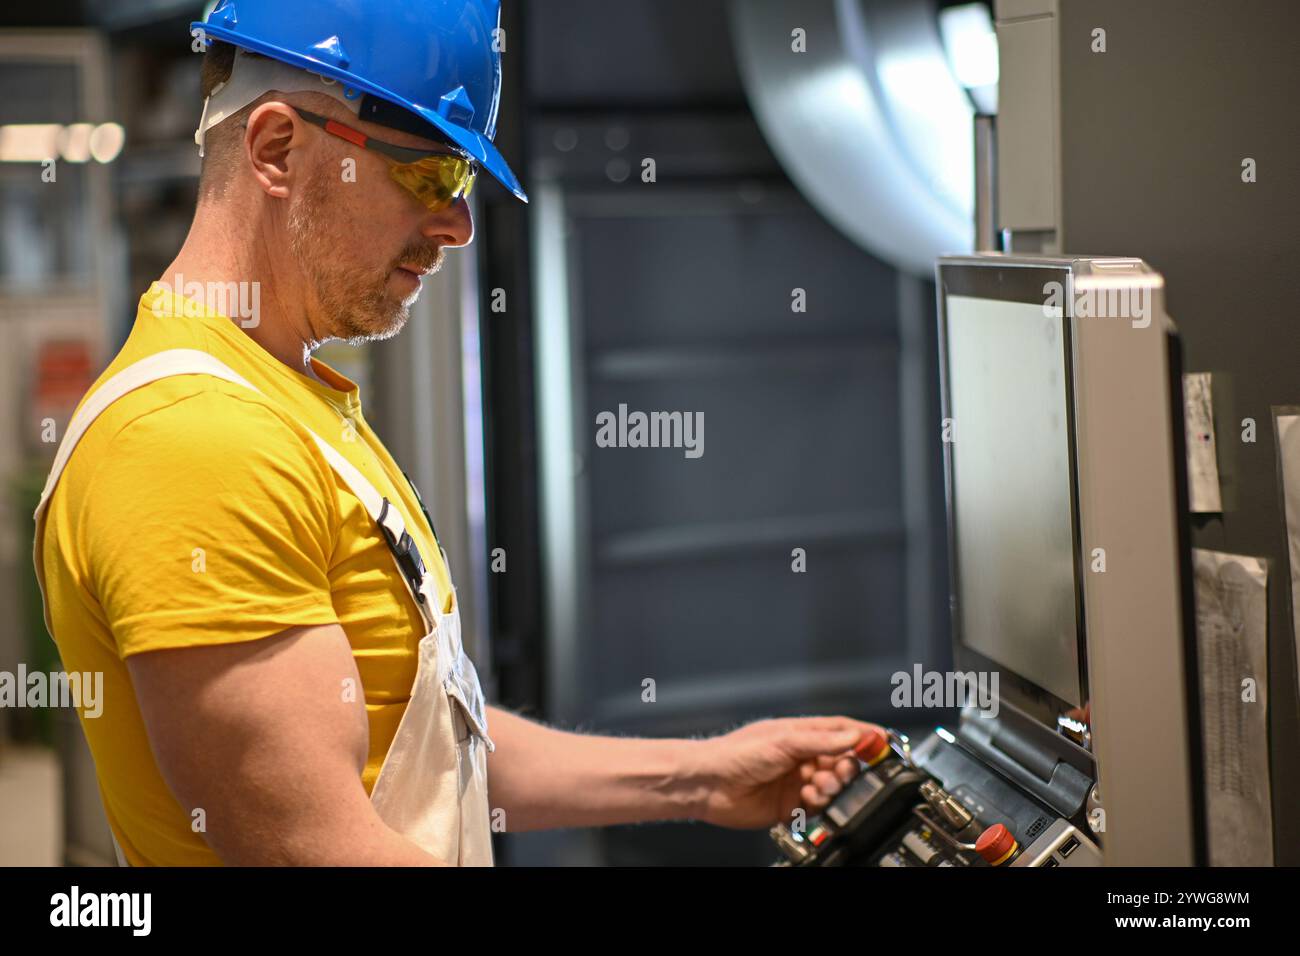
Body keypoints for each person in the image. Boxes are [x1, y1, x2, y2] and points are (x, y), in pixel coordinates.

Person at [33, 0, 879, 866]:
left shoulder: (287, 400)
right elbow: (317, 848)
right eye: (430, 176)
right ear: (277, 148)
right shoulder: (191, 441)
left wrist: (701, 778)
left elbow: (429, 742)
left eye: (464, 183)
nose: (458, 226)